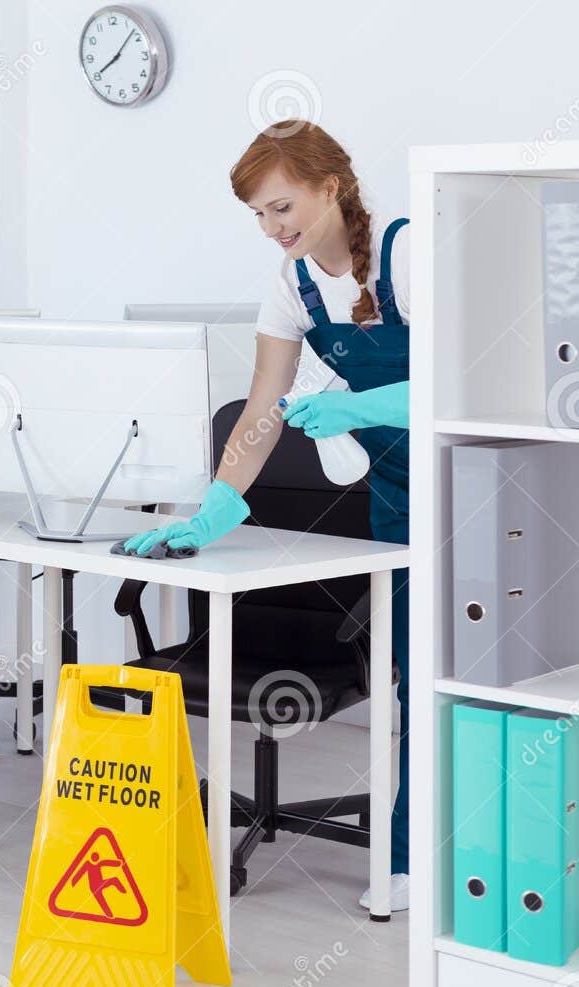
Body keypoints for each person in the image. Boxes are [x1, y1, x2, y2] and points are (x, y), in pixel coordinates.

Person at [121, 120, 412, 912]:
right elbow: (260, 408)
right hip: (394, 493)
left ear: (331, 186)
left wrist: (360, 403)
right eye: (258, 214)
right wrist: (213, 509)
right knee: (411, 672)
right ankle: (418, 855)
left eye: (283, 207)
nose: (272, 228)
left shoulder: (406, 253)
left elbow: (470, 386)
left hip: (469, 483)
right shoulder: (292, 284)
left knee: (440, 682)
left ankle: (414, 859)